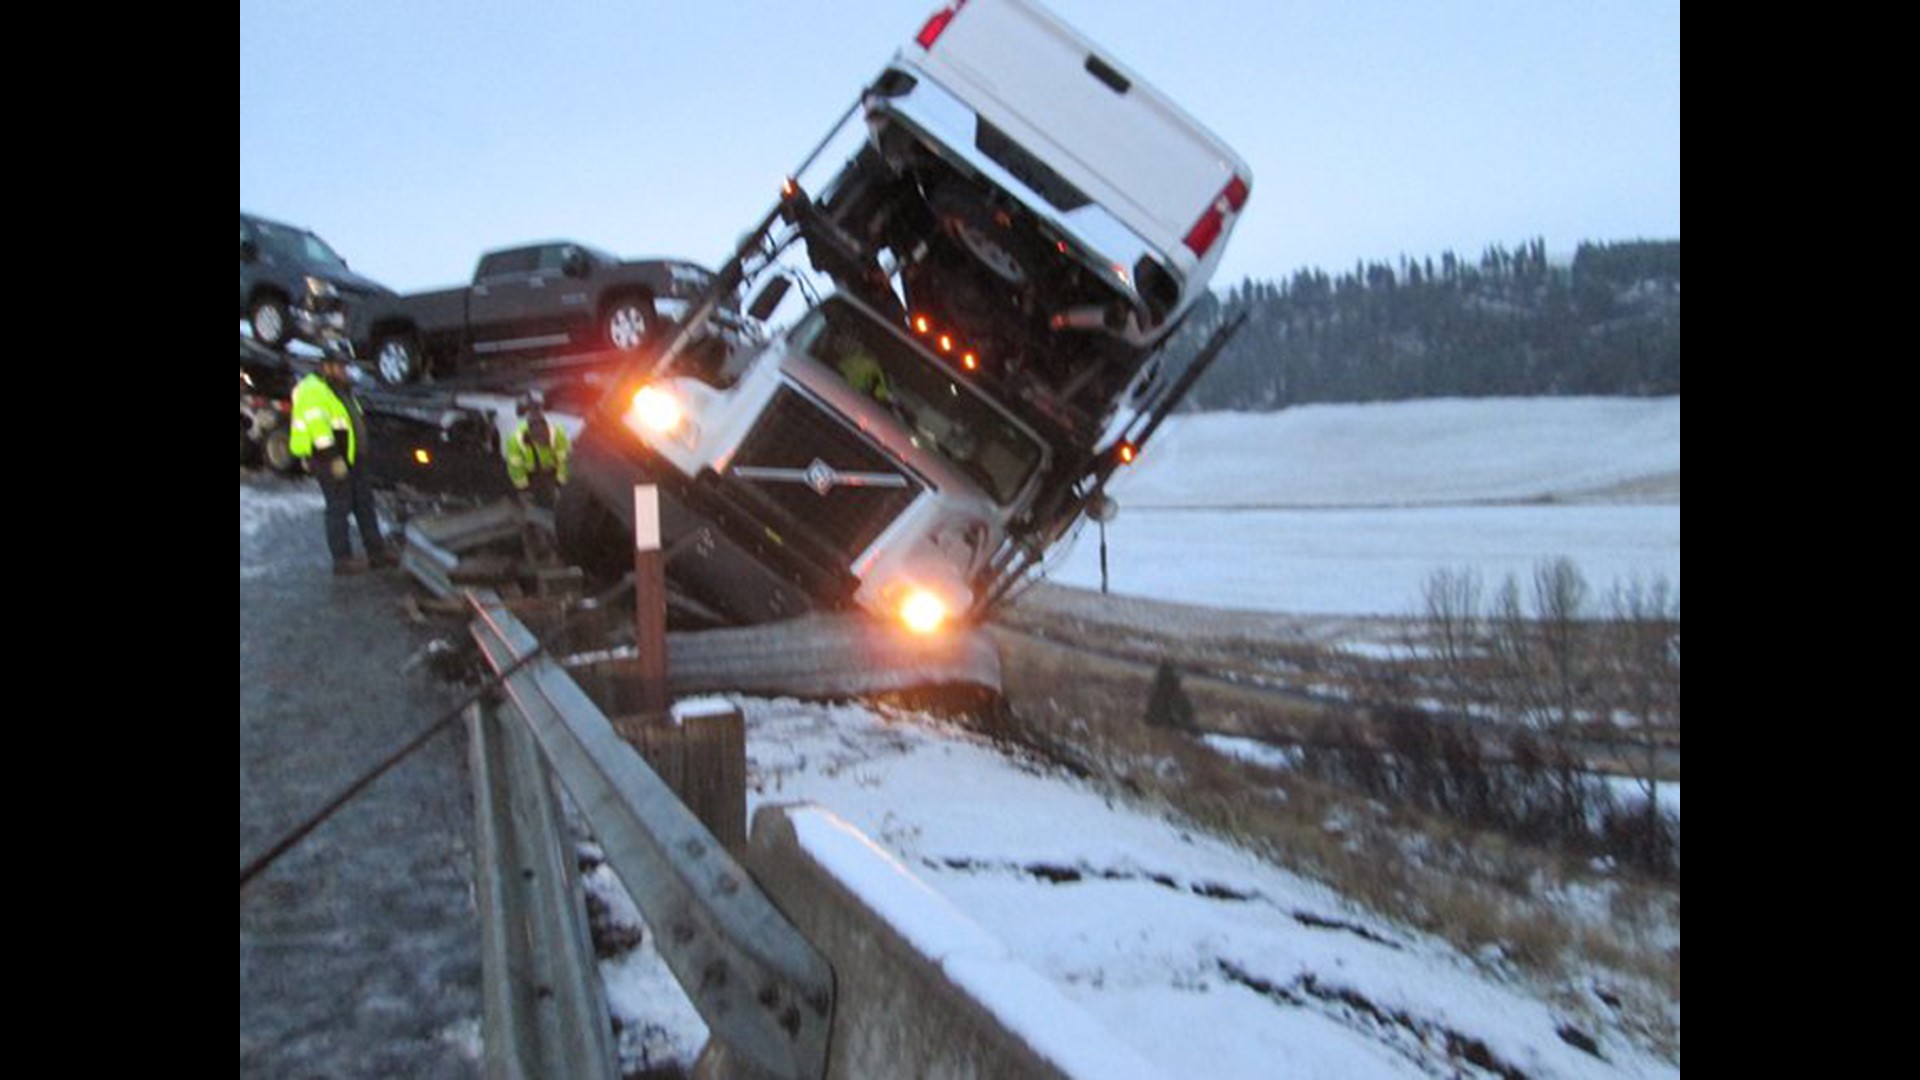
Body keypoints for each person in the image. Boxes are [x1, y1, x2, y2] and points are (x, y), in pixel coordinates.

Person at [288, 346, 395, 575]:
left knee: (364, 504)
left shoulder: (338, 389)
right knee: (339, 508)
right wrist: (333, 458)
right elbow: (319, 430)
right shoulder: (313, 390)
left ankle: (377, 552)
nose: (345, 371)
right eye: (341, 366)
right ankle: (342, 560)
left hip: (352, 458)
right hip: (330, 460)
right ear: (327, 366)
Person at [504, 390, 571, 510]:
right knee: (533, 504)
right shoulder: (516, 440)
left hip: (551, 472)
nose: (543, 442)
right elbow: (515, 467)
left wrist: (560, 484)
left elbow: (565, 461)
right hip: (531, 475)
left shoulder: (558, 435)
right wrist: (523, 489)